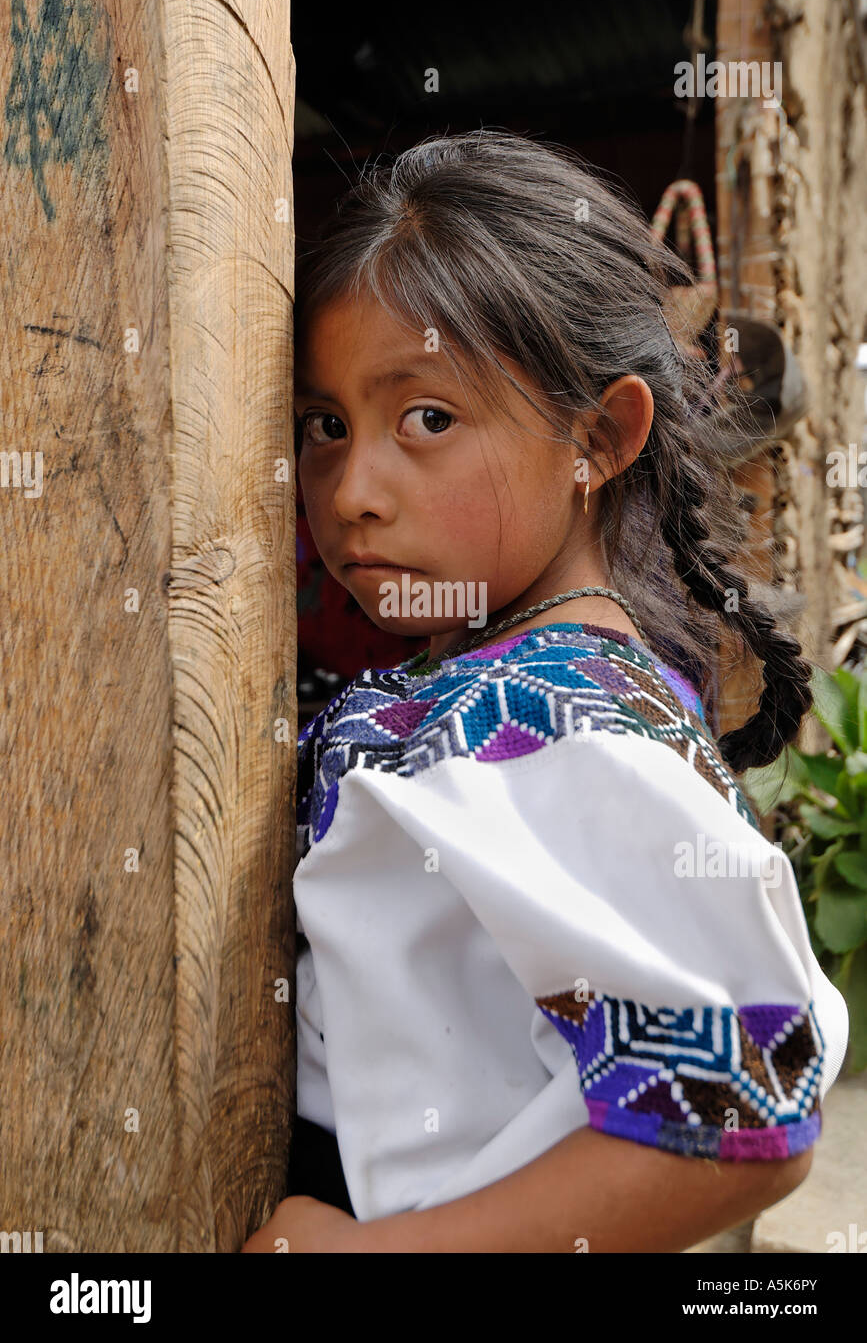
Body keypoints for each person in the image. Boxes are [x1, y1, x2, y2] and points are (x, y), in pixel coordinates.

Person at [242, 129, 849, 1253]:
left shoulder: (550, 724)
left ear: (599, 438)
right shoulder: (512, 690)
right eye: (324, 426)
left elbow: (748, 1109)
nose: (352, 489)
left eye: (426, 417)